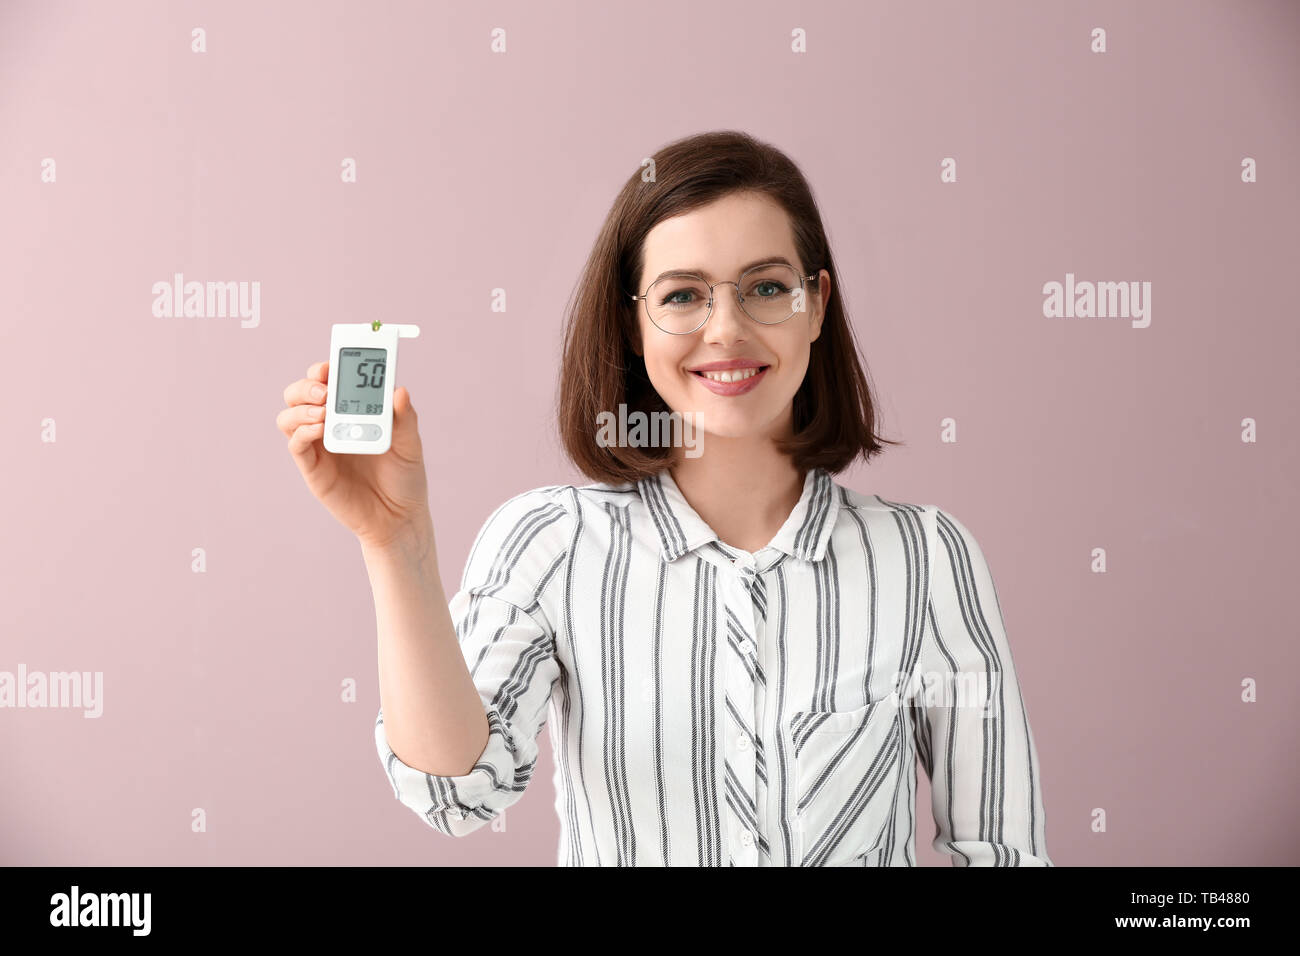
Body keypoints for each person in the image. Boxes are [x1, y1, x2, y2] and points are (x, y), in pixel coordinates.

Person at [276, 130, 1052, 866]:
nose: (727, 328)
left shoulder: (926, 558)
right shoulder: (552, 543)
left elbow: (1003, 850)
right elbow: (454, 792)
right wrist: (396, 542)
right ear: (633, 322)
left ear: (815, 304)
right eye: (683, 296)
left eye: (767, 287)